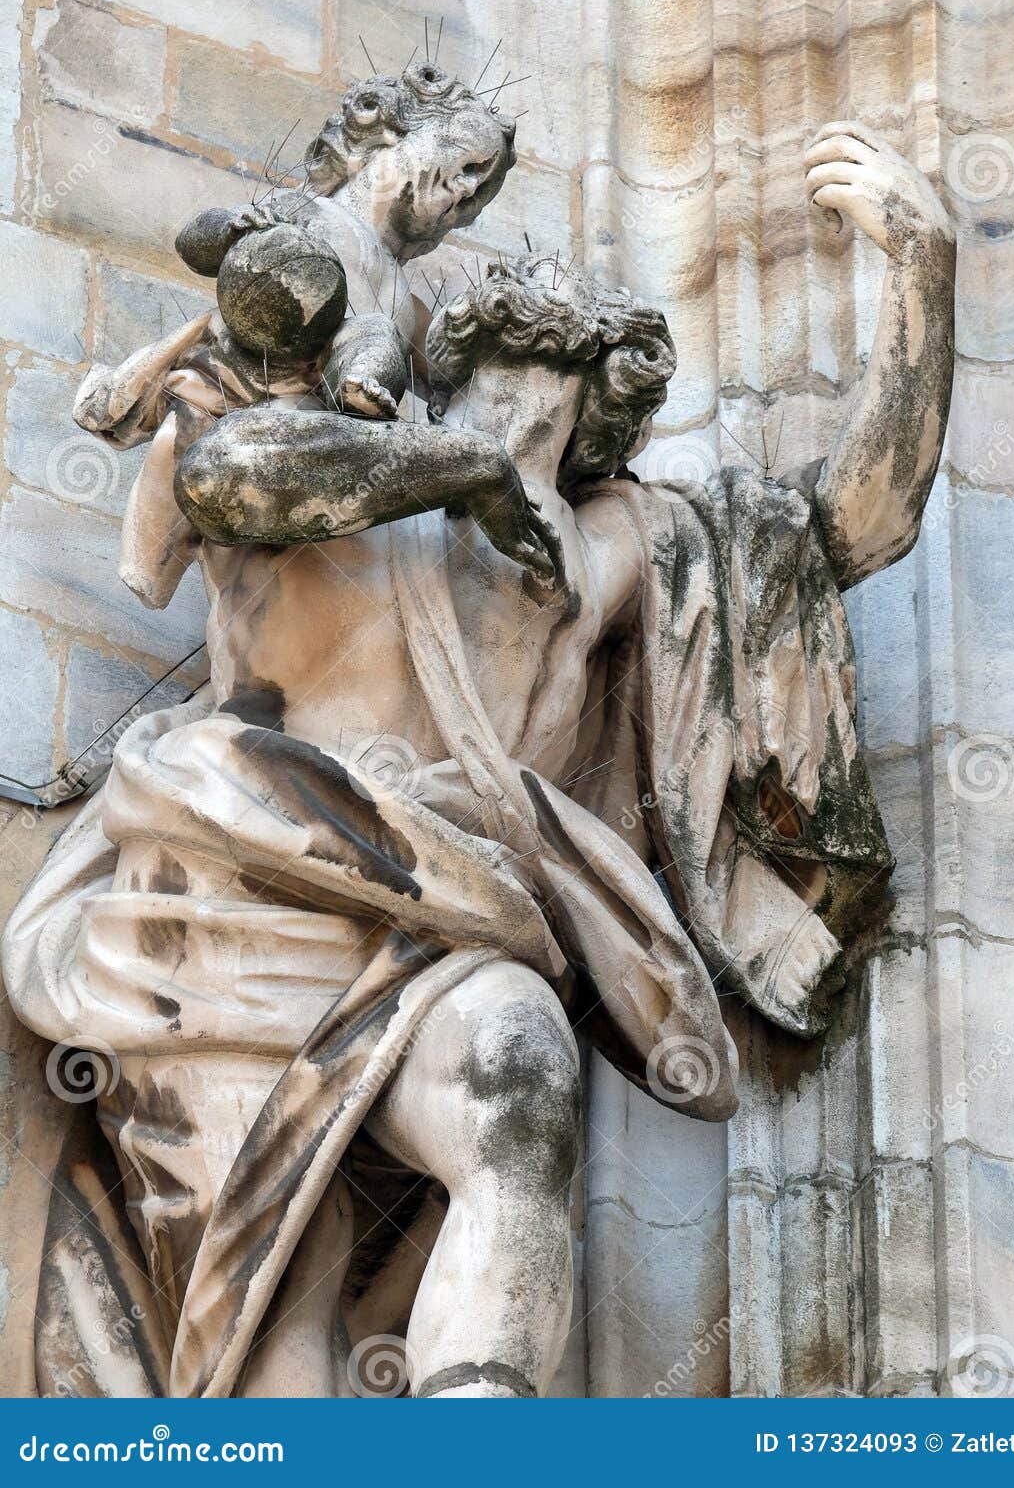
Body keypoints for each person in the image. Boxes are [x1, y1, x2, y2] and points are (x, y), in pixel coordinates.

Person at [3, 120, 954, 1400]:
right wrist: (449, 465)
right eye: (492, 403)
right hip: (234, 892)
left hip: (452, 915)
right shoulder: (345, 468)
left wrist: (923, 275)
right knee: (279, 1297)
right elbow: (229, 484)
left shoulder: (604, 548)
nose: (517, 448)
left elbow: (843, 528)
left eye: (550, 424)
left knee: (518, 1072)